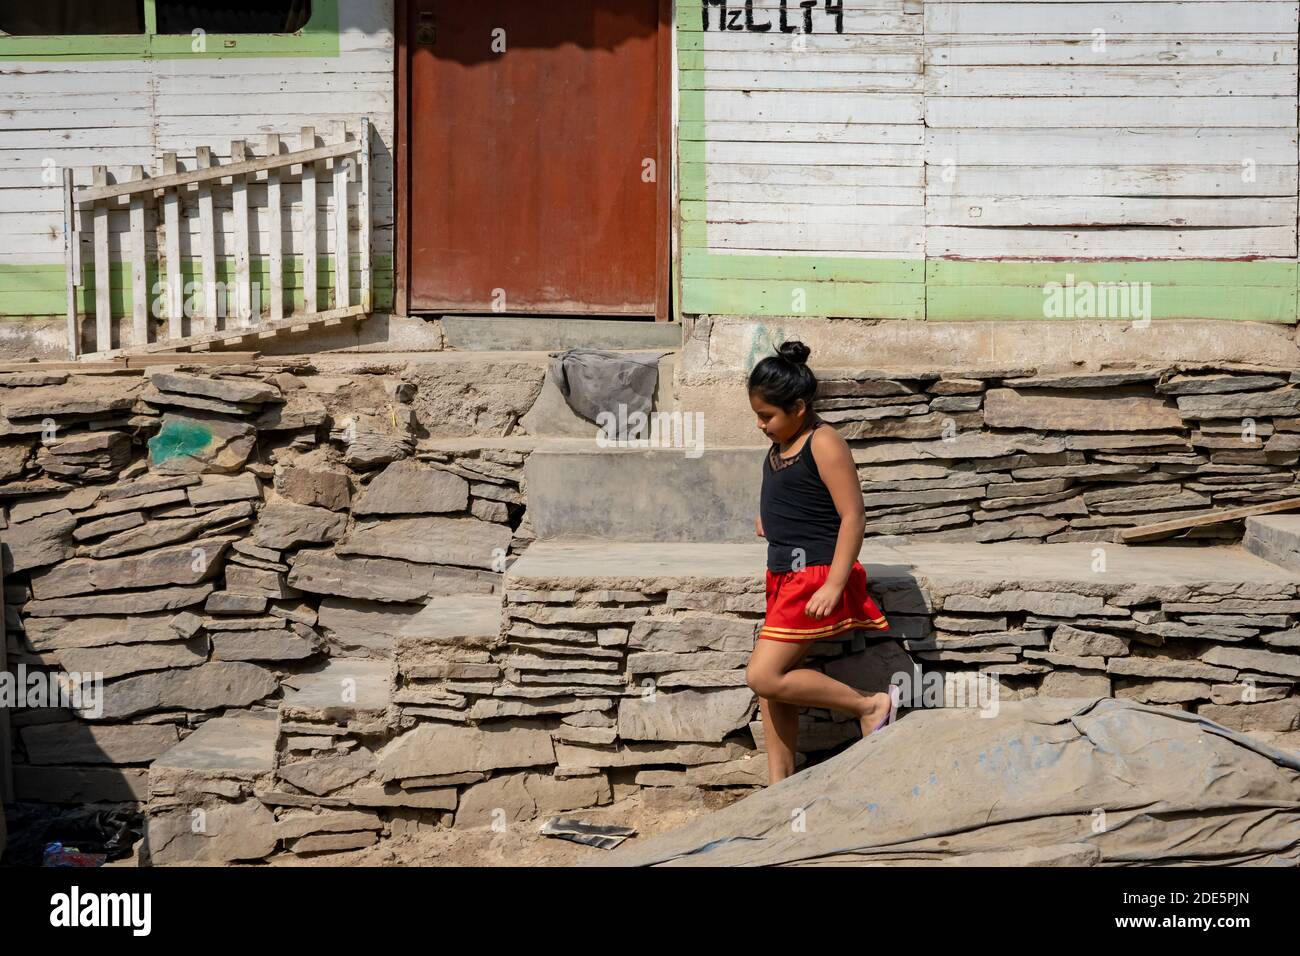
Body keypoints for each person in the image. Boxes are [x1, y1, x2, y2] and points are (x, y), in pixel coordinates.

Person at [744, 339, 900, 786]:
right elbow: (792, 494)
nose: (760, 425)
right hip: (782, 573)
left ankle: (870, 705)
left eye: (767, 416)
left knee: (764, 675)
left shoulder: (824, 441)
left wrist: (834, 584)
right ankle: (781, 781)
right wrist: (768, 516)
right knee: (779, 680)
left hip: (814, 576)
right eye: (757, 414)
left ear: (797, 407)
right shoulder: (782, 442)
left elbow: (852, 515)